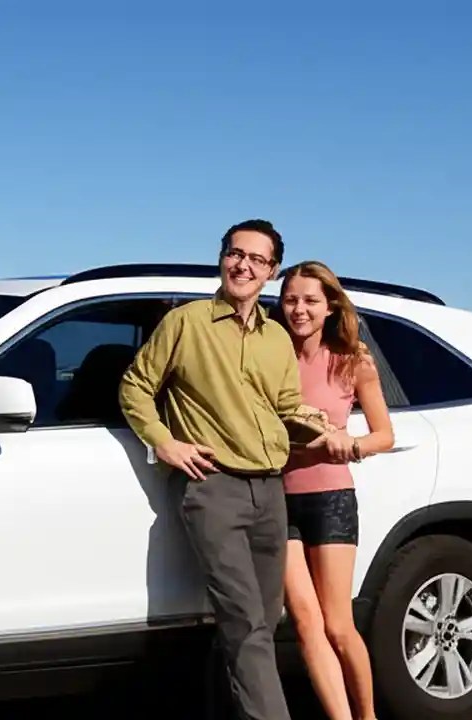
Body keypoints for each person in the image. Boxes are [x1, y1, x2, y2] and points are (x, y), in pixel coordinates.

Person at [120, 218, 321, 720]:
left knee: (258, 623)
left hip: (271, 493)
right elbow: (135, 387)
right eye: (236, 253)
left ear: (271, 271)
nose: (243, 265)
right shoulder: (185, 323)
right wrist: (164, 443)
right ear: (222, 257)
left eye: (256, 259)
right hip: (215, 490)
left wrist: (322, 429)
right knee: (246, 622)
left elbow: (287, 406)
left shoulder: (276, 338)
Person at [274, 260, 394, 720]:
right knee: (305, 622)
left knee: (338, 624)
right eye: (290, 299)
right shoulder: (271, 353)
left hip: (330, 499)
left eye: (309, 301)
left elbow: (385, 434)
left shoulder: (352, 360)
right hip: (277, 498)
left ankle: (367, 715)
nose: (298, 310)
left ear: (329, 307)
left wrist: (352, 444)